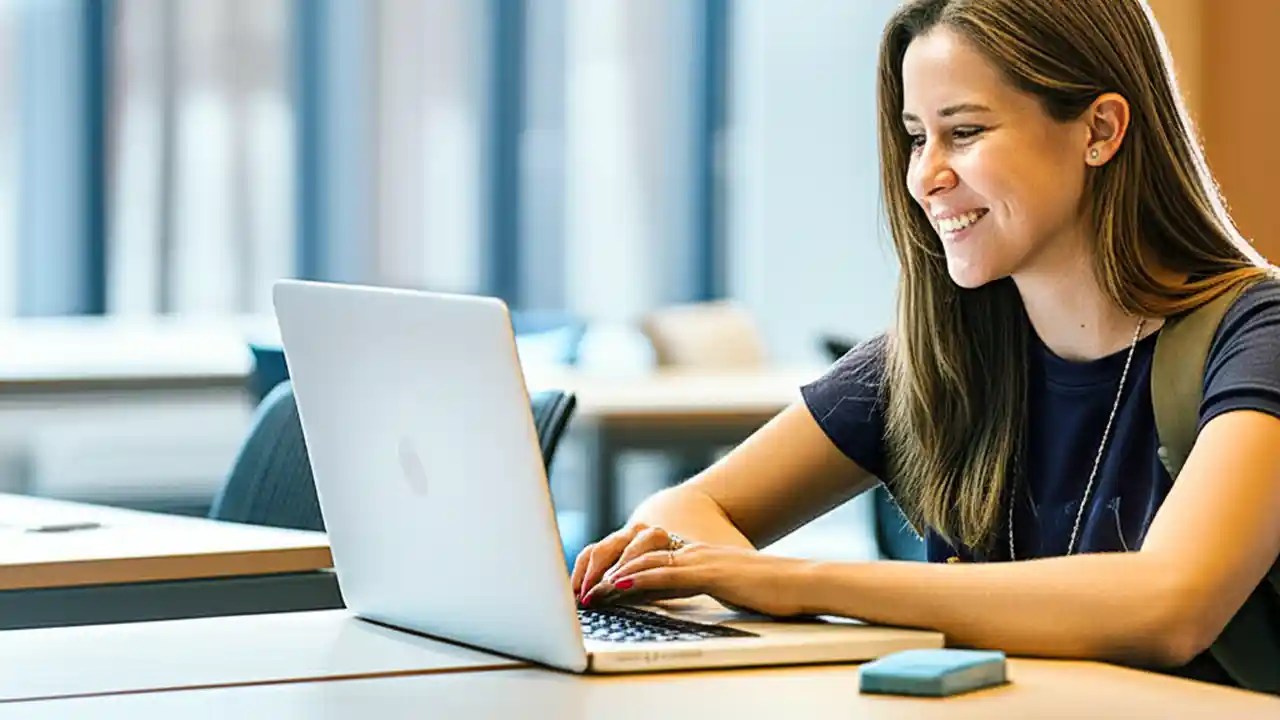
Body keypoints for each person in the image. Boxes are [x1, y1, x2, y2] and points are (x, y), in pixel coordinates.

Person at [571, 0, 1280, 689]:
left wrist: (796, 583)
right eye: (916, 137)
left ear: (1099, 128)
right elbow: (677, 515)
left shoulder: (1257, 334)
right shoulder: (942, 349)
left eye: (964, 132)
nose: (925, 177)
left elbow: (1173, 603)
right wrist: (729, 573)